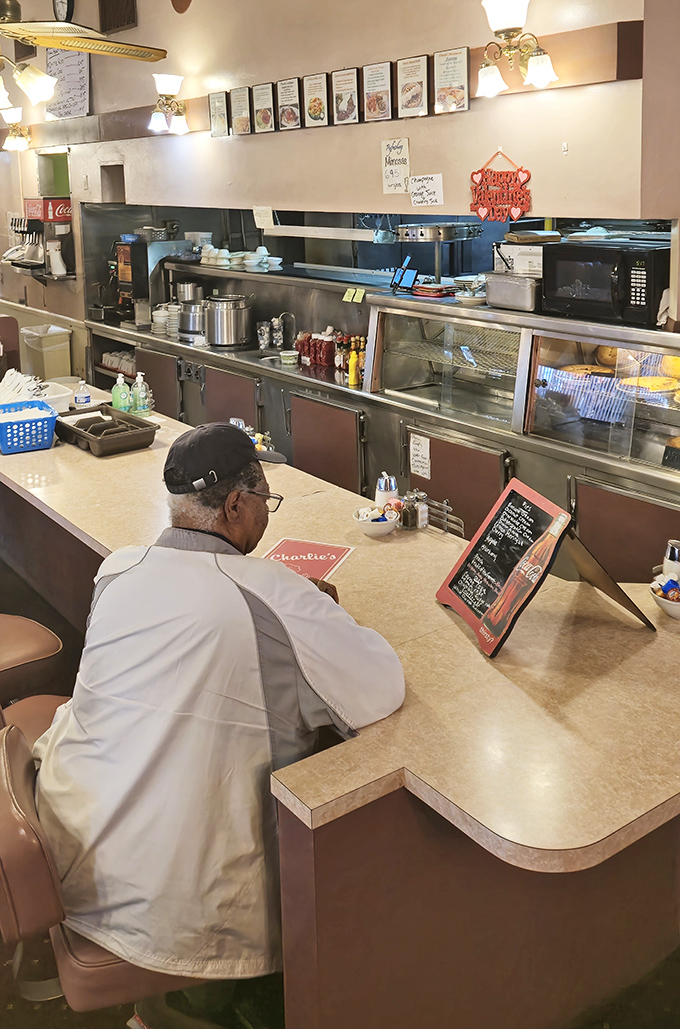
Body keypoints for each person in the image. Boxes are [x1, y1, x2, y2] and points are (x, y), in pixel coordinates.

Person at [34, 423, 405, 1023]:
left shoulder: (117, 570)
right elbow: (379, 688)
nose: (264, 510)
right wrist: (309, 612)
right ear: (235, 505)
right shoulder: (272, 594)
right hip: (175, 911)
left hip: (72, 850)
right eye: (264, 498)